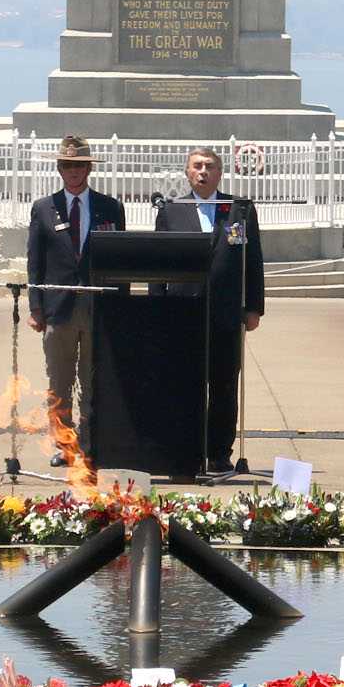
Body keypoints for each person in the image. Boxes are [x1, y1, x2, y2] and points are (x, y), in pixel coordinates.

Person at [151, 146, 269, 472]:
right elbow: (157, 264)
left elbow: (253, 260)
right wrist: (156, 309)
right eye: (197, 166)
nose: (203, 172)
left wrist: (254, 307)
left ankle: (219, 452)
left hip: (226, 313)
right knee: (184, 384)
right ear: (187, 172)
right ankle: (185, 449)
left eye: (210, 166)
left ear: (220, 173)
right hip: (181, 313)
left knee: (224, 385)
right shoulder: (172, 211)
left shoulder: (238, 210)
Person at [27, 137, 126, 464]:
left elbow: (119, 261)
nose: (73, 171)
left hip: (98, 307)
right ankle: (64, 446)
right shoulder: (44, 208)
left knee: (94, 380)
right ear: (59, 169)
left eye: (79, 165)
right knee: (59, 382)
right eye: (67, 165)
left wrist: (120, 306)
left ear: (88, 168)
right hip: (59, 308)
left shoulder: (110, 207)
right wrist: (35, 307)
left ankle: (90, 442)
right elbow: (35, 261)